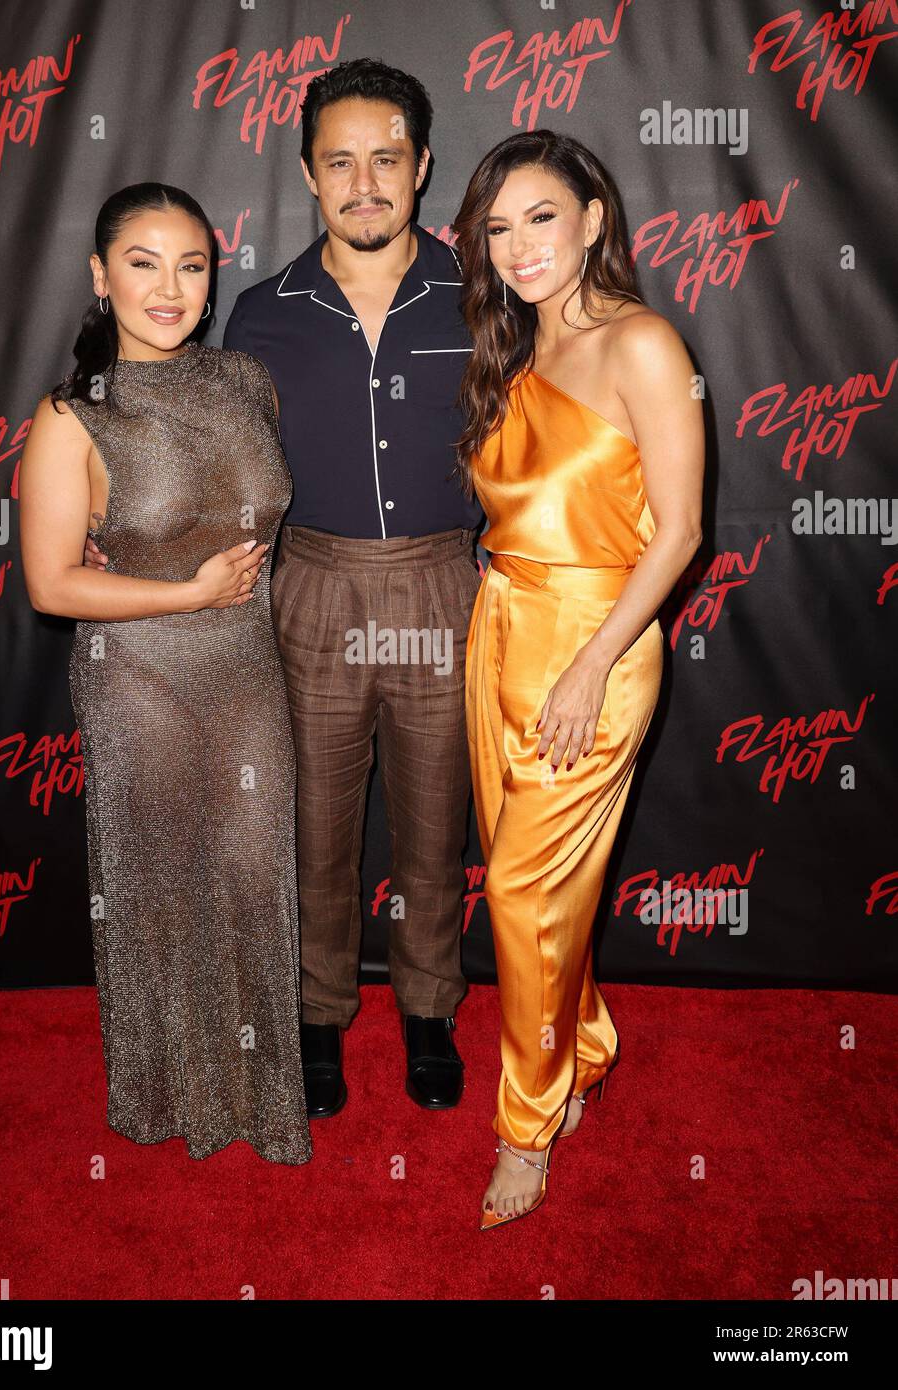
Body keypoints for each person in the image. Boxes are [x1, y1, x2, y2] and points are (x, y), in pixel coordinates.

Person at [87, 60, 484, 1118]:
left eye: (386, 160)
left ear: (421, 169)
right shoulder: (261, 314)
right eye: (340, 161)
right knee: (308, 820)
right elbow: (211, 454)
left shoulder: (478, 293)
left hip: (445, 584)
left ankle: (429, 1012)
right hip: (310, 587)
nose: (365, 182)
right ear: (308, 174)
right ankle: (316, 1016)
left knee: (435, 822)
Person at [19, 183, 312, 1164]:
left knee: (251, 868)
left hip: (246, 668)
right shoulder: (74, 418)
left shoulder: (244, 381)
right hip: (138, 671)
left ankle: (259, 1092)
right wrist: (185, 594)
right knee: (158, 882)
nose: (169, 286)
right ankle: (167, 1091)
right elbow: (52, 582)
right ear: (101, 276)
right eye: (142, 263)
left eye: (191, 265)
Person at [453, 132, 704, 1228]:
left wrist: (590, 663)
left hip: (593, 643)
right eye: (497, 229)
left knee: (518, 889)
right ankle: (583, 1041)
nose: (517, 247)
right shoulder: (513, 349)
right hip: (499, 624)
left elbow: (683, 530)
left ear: (594, 217)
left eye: (540, 217)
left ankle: (528, 1124)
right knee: (533, 885)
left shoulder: (642, 342)